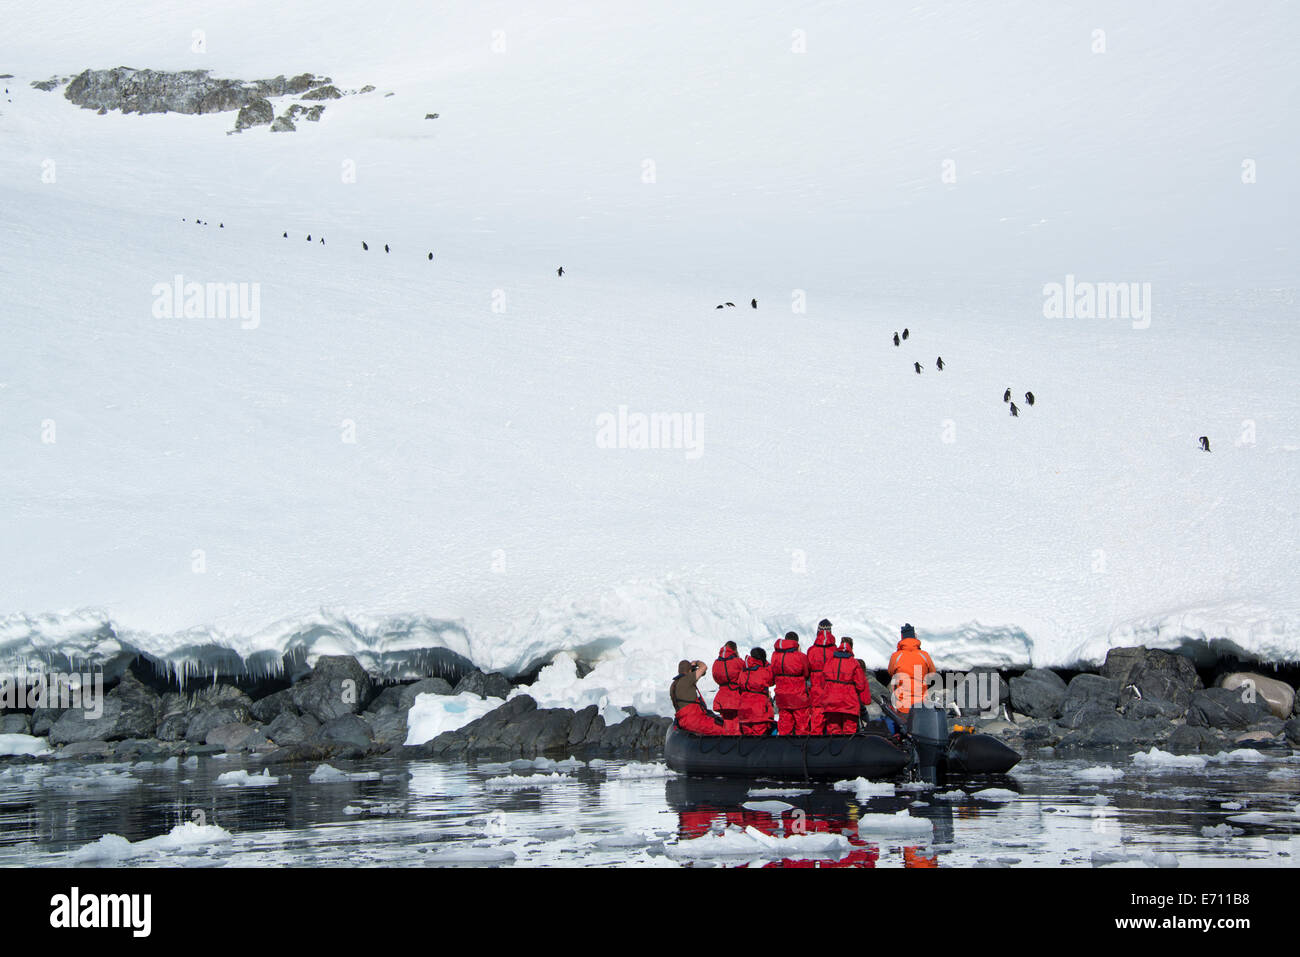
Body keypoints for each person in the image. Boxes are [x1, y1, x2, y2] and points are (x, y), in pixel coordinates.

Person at [821, 637, 867, 735]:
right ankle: (848, 750)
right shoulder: (854, 663)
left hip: (831, 701)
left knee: (833, 732)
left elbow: (822, 681)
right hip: (849, 703)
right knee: (849, 733)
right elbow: (860, 686)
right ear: (851, 648)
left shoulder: (829, 661)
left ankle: (833, 749)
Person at [887, 623, 936, 714]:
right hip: (921, 705)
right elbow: (932, 673)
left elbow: (890, 672)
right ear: (915, 637)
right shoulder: (924, 655)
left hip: (903, 706)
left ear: (902, 638)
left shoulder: (896, 656)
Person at [670, 659, 725, 735]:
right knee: (725, 729)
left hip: (684, 720)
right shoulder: (687, 679)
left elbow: (701, 674)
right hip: (694, 720)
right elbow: (703, 667)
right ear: (689, 671)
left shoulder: (674, 684)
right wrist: (697, 662)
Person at [770, 632, 811, 735]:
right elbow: (806, 673)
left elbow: (772, 673)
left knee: (784, 726)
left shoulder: (775, 656)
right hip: (798, 697)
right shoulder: (801, 656)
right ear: (796, 643)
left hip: (782, 697)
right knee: (802, 727)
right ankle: (801, 749)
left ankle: (784, 748)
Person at [807, 619, 838, 734]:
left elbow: (806, 669)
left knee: (817, 720)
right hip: (832, 689)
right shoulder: (835, 650)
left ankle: (815, 747)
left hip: (816, 690)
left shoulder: (812, 650)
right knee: (833, 722)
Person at [737, 647, 774, 736]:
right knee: (759, 738)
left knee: (747, 739)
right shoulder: (764, 671)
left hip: (744, 709)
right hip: (759, 710)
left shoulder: (743, 671)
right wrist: (767, 665)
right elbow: (772, 680)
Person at [711, 641, 745, 734]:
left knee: (727, 723)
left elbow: (715, 677)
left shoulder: (716, 662)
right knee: (736, 724)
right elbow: (746, 676)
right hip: (735, 695)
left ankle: (726, 743)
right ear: (735, 650)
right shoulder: (738, 662)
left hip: (722, 696)